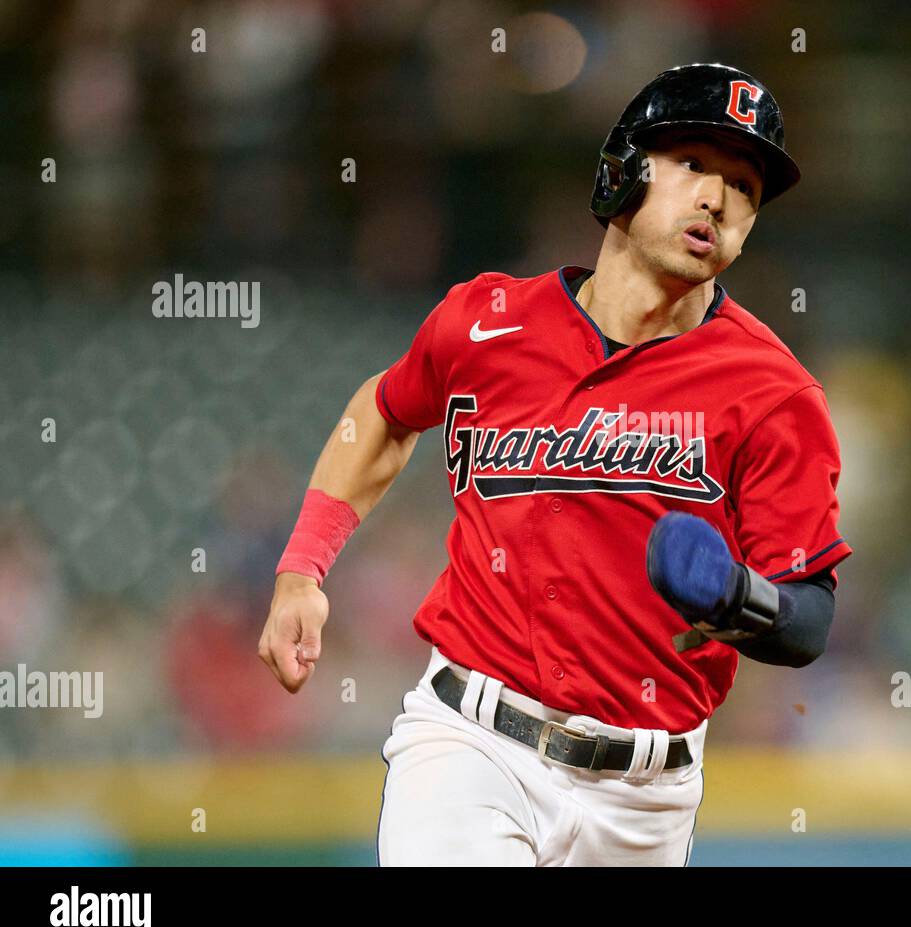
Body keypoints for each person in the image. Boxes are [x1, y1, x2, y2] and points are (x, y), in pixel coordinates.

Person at [258, 63, 852, 866]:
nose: (718, 197)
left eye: (744, 185)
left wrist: (737, 598)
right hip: (471, 746)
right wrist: (303, 569)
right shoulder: (486, 323)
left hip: (647, 798)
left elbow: (809, 617)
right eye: (693, 164)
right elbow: (386, 411)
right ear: (623, 173)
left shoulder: (775, 392)